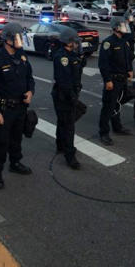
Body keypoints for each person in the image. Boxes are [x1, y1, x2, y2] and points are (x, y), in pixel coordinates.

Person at [0, 22, 35, 190]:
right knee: (1, 141)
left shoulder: (22, 56)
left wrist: (30, 92)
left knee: (16, 138)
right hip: (4, 109)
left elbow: (30, 77)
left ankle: (15, 162)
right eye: (17, 37)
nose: (20, 40)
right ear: (7, 40)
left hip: (20, 107)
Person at [98, 17, 133, 145]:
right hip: (112, 79)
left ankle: (117, 127)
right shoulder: (108, 43)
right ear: (116, 27)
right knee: (108, 106)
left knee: (117, 105)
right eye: (122, 25)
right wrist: (107, 80)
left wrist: (129, 69)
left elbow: (127, 59)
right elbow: (103, 64)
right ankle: (104, 132)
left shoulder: (124, 42)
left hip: (122, 78)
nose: (124, 27)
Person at [52, 26, 84, 169]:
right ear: (68, 42)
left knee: (63, 121)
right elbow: (64, 81)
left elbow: (78, 69)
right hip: (64, 95)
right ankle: (70, 155)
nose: (77, 44)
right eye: (74, 42)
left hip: (69, 93)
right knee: (69, 125)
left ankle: (60, 145)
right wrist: (72, 97)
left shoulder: (71, 55)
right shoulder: (62, 57)